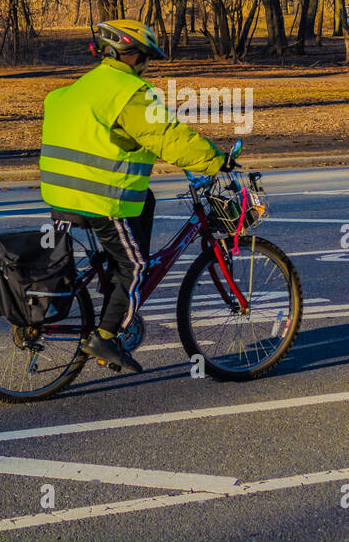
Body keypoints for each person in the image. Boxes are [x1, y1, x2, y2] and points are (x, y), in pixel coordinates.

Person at [39, 19, 229, 373]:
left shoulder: (83, 87)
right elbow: (168, 137)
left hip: (62, 193)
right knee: (135, 265)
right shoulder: (129, 92)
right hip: (98, 198)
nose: (146, 66)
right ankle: (106, 336)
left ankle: (114, 289)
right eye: (145, 58)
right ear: (133, 55)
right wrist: (215, 160)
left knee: (146, 199)